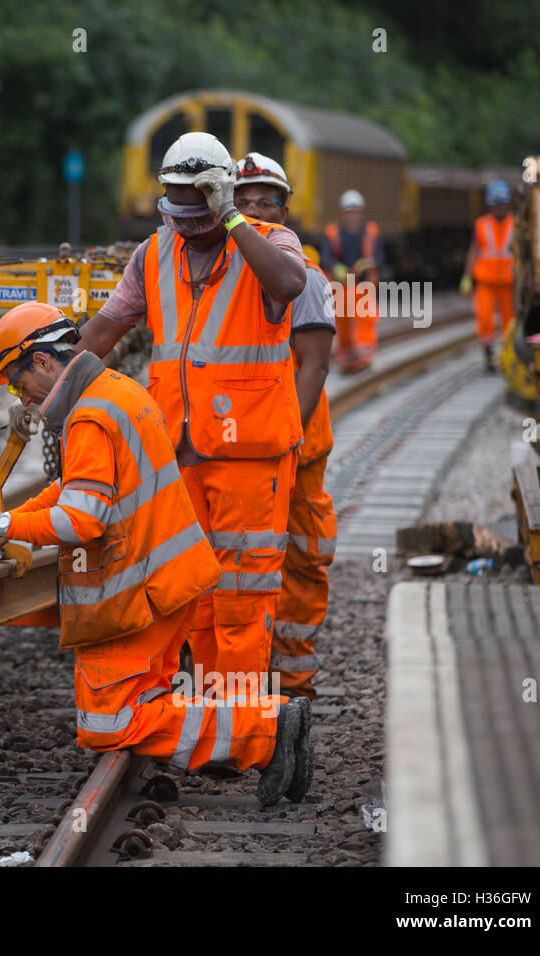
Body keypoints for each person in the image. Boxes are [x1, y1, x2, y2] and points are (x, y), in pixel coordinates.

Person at [0, 302, 312, 807]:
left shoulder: (89, 417)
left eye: (15, 379)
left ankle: (265, 733)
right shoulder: (115, 391)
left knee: (108, 723)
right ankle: (266, 730)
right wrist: (11, 526)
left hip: (140, 597)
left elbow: (81, 519)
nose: (17, 393)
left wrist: (2, 522)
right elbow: (72, 491)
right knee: (146, 701)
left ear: (44, 362)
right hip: (167, 584)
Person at [75, 132, 305, 696]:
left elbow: (290, 284)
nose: (190, 227)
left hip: (250, 455)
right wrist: (47, 394)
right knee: (194, 589)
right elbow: (105, 331)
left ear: (220, 195)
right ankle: (210, 712)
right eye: (181, 214)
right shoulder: (152, 254)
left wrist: (231, 217)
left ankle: (240, 720)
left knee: (243, 595)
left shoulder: (271, 243)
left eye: (201, 214)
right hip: (179, 453)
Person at [235, 153, 337, 699]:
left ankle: (292, 681)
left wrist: (289, 440)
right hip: (237, 451)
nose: (254, 213)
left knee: (301, 559)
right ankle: (242, 679)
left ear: (284, 210)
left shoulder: (307, 280)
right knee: (241, 566)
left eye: (265, 204)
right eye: (243, 203)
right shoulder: (218, 280)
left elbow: (314, 366)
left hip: (295, 449)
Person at [320, 190, 381, 373]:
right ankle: (346, 357)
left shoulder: (371, 231)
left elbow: (379, 256)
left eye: (355, 212)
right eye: (349, 212)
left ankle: (364, 356)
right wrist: (336, 266)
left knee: (364, 321)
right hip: (341, 287)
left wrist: (368, 263)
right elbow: (325, 258)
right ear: (342, 213)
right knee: (342, 323)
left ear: (361, 213)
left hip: (363, 286)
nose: (352, 216)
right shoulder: (332, 232)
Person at [461, 180, 515, 371]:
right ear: (490, 205)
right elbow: (473, 251)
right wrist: (467, 277)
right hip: (485, 281)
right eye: (495, 205)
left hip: (509, 283)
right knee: (484, 318)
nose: (499, 208)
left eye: (501, 204)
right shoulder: (481, 225)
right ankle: (488, 354)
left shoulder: (516, 224)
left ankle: (509, 355)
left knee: (510, 322)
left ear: (507, 204)